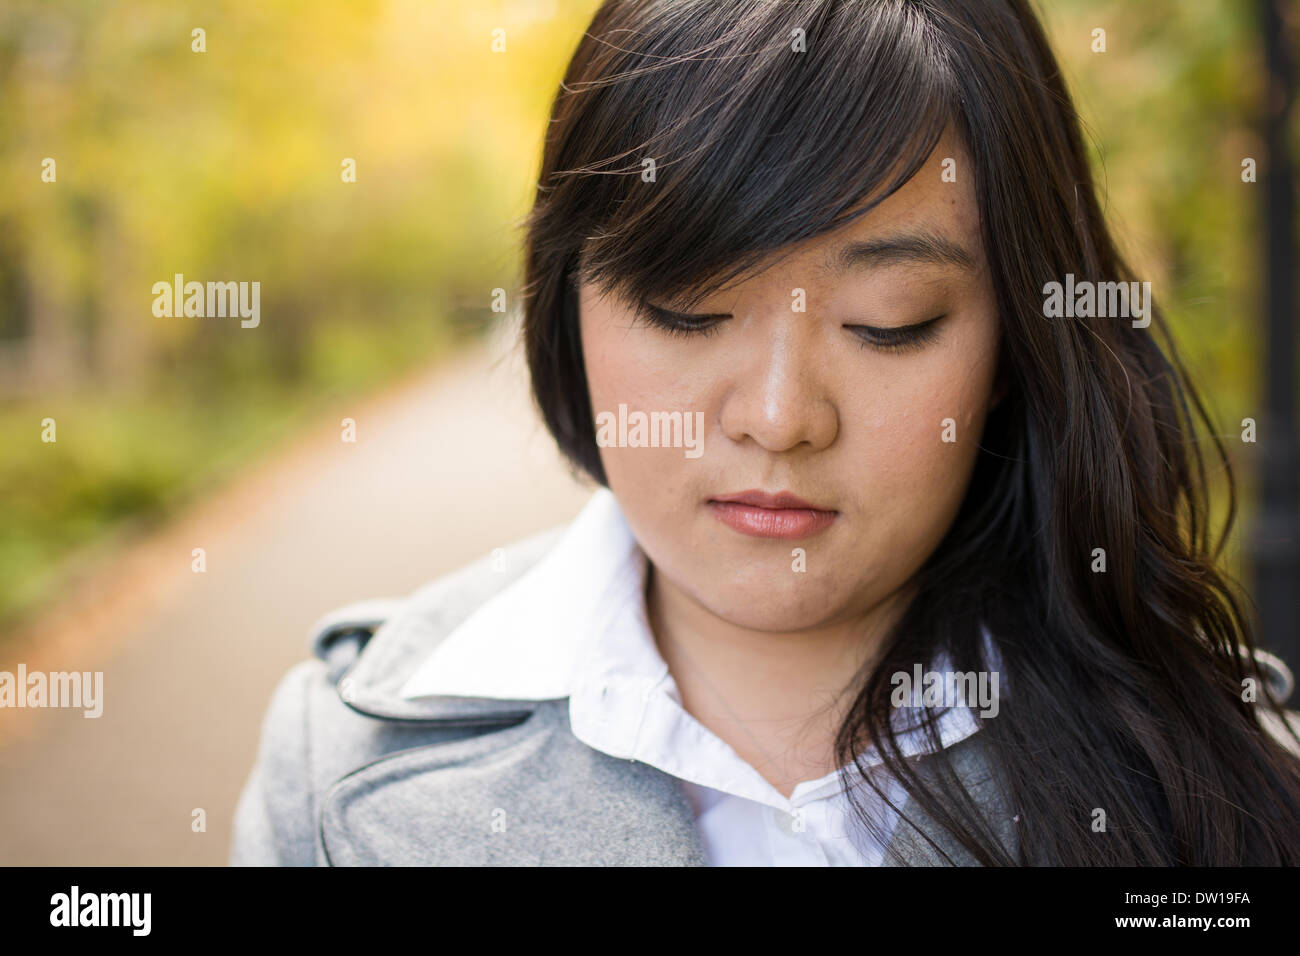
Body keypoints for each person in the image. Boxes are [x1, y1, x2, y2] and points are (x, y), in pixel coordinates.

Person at [230, 0, 1300, 866]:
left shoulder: (1219, 773)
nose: (779, 418)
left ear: (1016, 339)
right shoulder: (339, 764)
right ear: (566, 303)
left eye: (890, 324)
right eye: (690, 311)